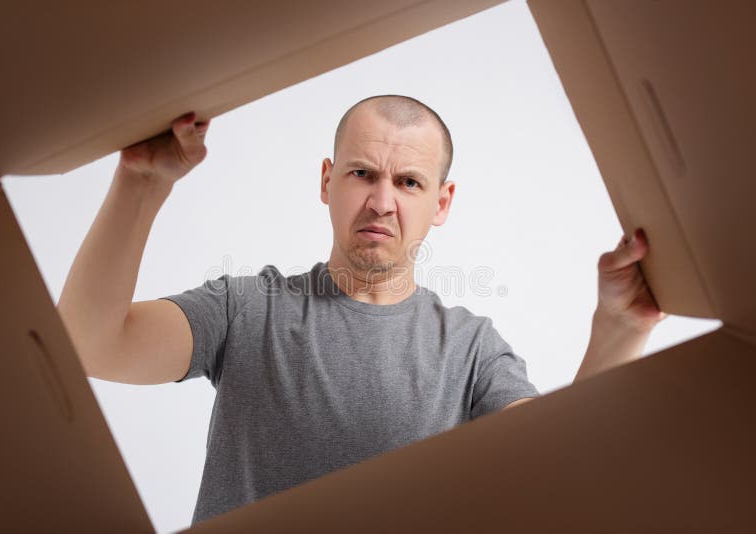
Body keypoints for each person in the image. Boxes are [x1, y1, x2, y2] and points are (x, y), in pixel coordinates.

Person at [57, 95, 667, 524]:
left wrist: (617, 327)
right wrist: (141, 182)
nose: (381, 201)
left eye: (408, 182)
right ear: (327, 181)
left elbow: (556, 480)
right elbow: (90, 345)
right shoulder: (247, 309)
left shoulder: (471, 350)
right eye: (361, 172)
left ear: (442, 202)